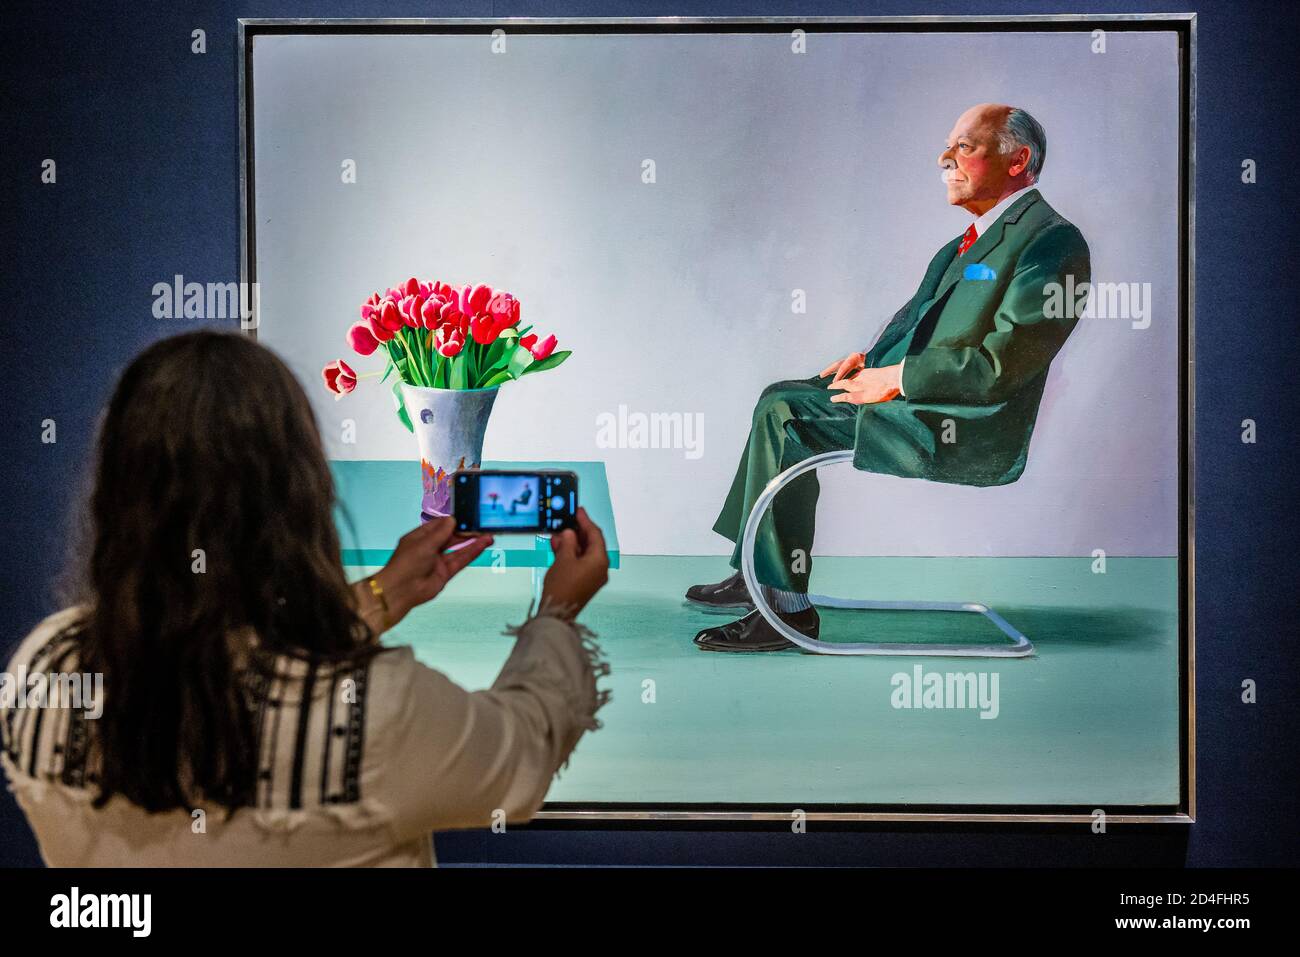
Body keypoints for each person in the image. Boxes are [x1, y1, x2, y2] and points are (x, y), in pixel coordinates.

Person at [0, 331, 611, 866]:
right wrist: (556, 614)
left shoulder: (40, 672)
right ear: (301, 493)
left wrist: (375, 596)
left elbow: (226, 646)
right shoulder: (374, 711)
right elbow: (521, 754)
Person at [689, 103, 1091, 652]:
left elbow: (1000, 366)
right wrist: (871, 361)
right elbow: (919, 324)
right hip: (918, 396)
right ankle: (758, 575)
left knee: (787, 417)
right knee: (779, 398)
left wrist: (897, 379)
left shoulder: (1052, 243)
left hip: (962, 420)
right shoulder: (965, 245)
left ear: (1018, 160)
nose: (945, 158)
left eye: (965, 147)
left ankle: (786, 612)